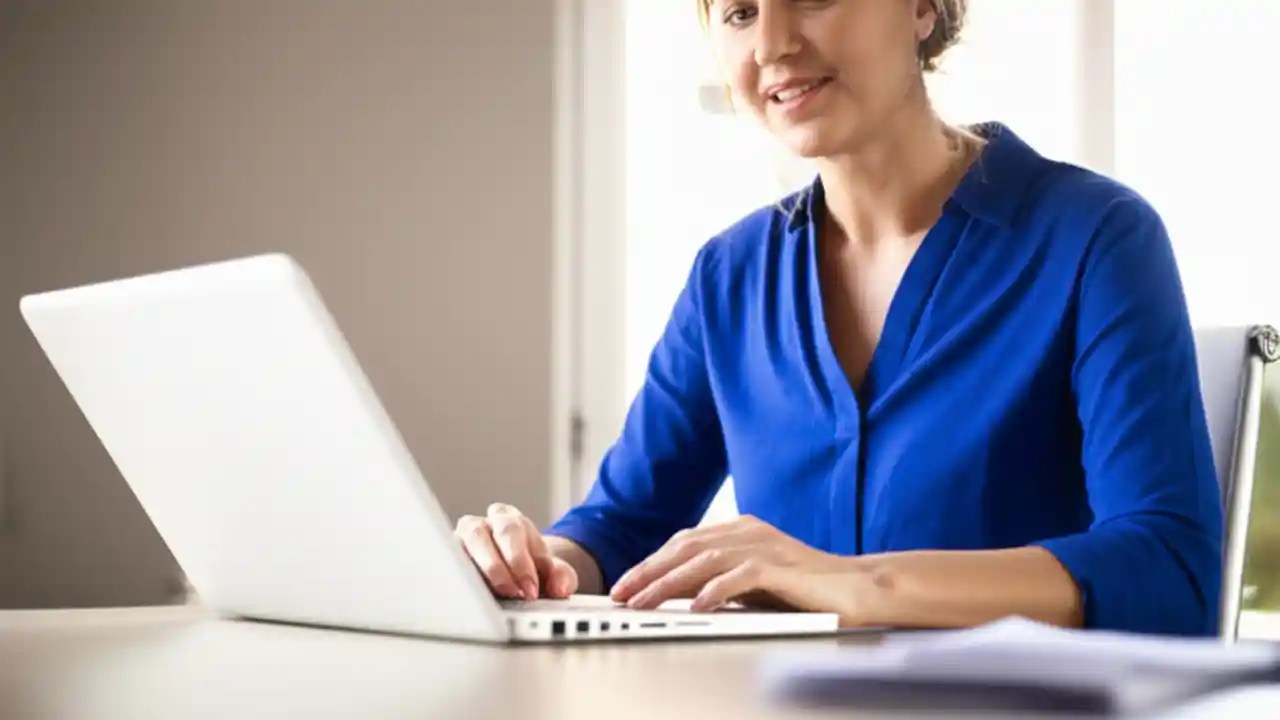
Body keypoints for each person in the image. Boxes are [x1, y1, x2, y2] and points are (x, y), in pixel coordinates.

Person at [454, 0, 1222, 636]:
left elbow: (1167, 570)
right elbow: (620, 529)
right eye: (739, 13)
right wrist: (529, 562)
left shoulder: (1095, 238)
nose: (775, 43)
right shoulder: (730, 276)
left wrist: (849, 583)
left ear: (923, 8)